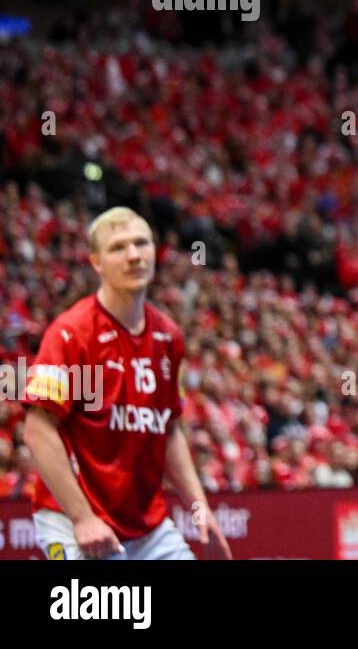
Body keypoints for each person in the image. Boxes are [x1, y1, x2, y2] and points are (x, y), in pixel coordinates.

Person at [21, 207, 231, 560]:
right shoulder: (73, 334)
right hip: (75, 520)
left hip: (147, 528)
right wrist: (82, 519)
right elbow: (38, 431)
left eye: (141, 243)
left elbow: (168, 430)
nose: (134, 255)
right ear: (96, 262)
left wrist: (199, 509)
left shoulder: (168, 336)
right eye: (118, 247)